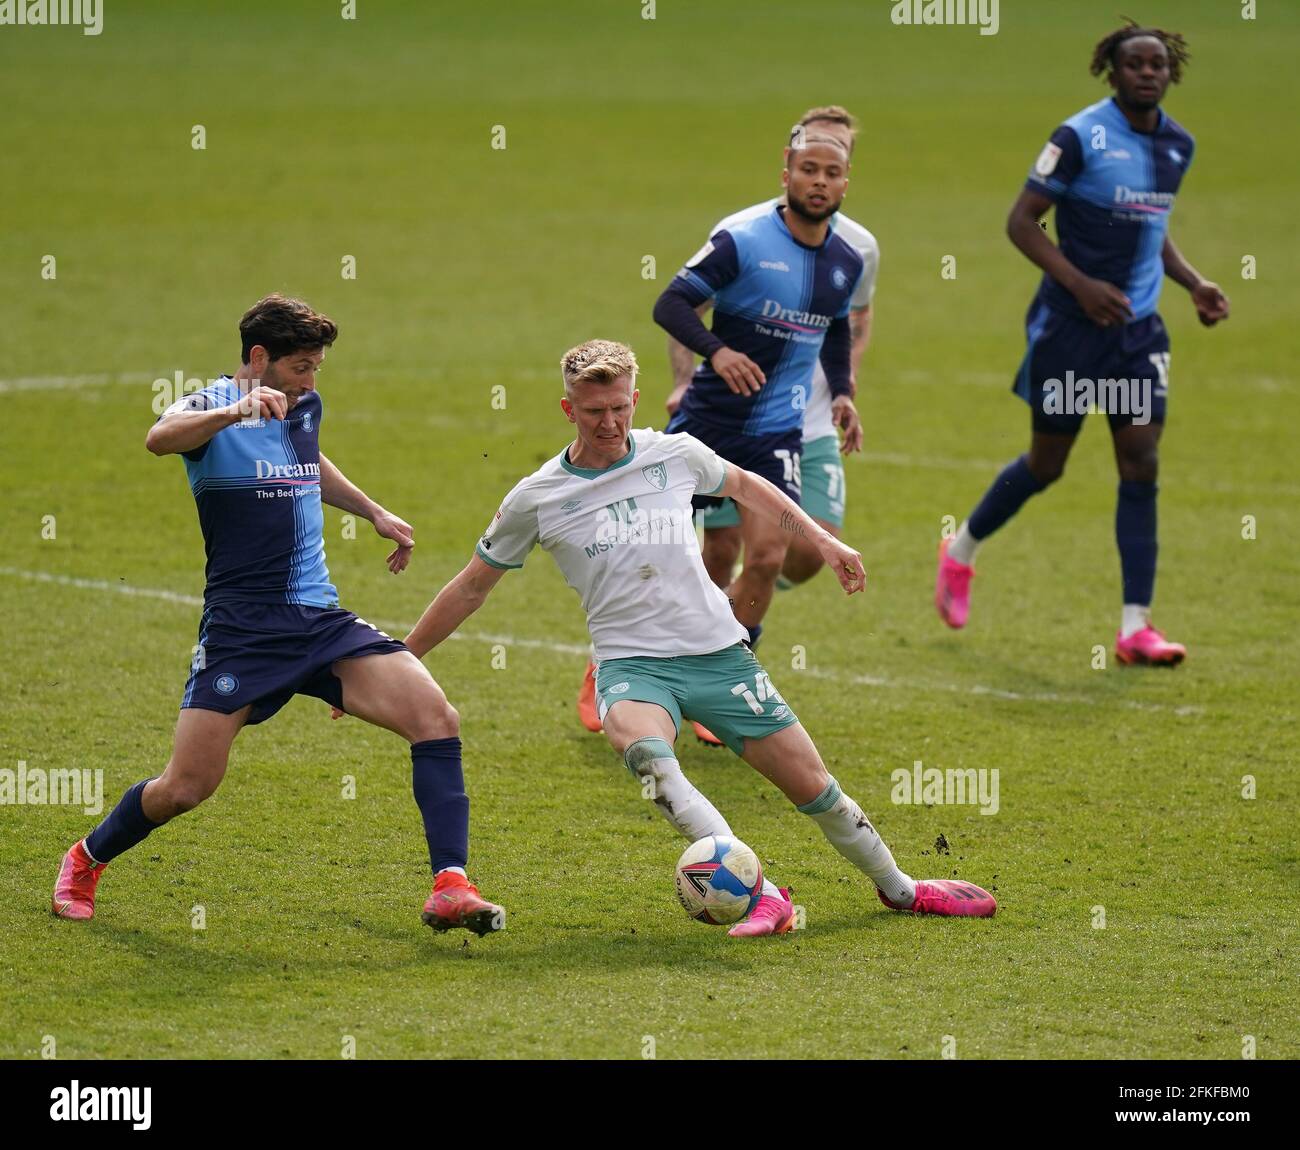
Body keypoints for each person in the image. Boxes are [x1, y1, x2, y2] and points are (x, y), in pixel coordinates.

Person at [410, 339, 995, 938]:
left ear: (635, 399)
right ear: (568, 411)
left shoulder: (677, 453)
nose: (608, 423)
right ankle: (764, 894)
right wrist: (401, 658)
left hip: (718, 654)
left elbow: (748, 488)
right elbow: (471, 587)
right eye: (592, 412)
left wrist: (825, 541)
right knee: (650, 761)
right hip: (631, 666)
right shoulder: (537, 497)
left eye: (618, 408)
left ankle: (901, 889)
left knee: (816, 789)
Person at [52, 295, 504, 937]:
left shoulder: (303, 406)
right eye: (301, 367)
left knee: (436, 718)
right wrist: (236, 410)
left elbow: (306, 461)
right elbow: (159, 438)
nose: (311, 380)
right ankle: (85, 859)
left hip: (319, 619)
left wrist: (371, 510)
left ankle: (450, 886)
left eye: (317, 367)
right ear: (258, 358)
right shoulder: (207, 405)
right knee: (185, 787)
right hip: (242, 632)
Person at [935, 21, 1229, 665]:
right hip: (1070, 328)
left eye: (1157, 64)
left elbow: (1152, 229)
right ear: (1112, 72)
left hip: (1136, 333)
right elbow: (1022, 221)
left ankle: (1135, 628)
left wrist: (1193, 283)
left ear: (1170, 73)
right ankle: (960, 554)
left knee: (1141, 460)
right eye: (1134, 64)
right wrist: (1080, 283)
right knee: (1047, 465)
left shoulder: (1178, 145)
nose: (1147, 72)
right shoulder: (1080, 137)